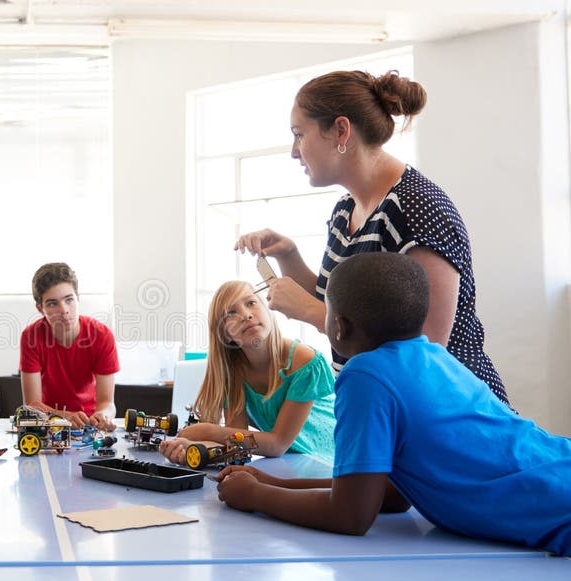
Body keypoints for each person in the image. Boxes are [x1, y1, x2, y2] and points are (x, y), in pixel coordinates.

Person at [216, 253, 571, 556]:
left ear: (338, 326)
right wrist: (269, 482)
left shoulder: (365, 375)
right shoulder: (433, 357)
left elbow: (350, 515)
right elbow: (392, 494)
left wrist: (257, 496)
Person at [234, 69, 508, 404]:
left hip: (448, 413)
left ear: (340, 130)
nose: (294, 151)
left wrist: (307, 311)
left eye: (299, 134)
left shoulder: (417, 210)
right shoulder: (344, 211)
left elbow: (424, 350)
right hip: (387, 408)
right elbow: (341, 306)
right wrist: (288, 256)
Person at [158, 280, 335, 464]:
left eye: (251, 303)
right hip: (293, 464)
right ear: (225, 334)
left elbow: (277, 444)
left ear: (267, 310)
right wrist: (193, 449)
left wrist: (208, 431)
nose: (246, 315)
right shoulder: (233, 372)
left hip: (329, 464)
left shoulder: (304, 361)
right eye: (231, 313)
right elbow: (238, 445)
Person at [20, 262, 119, 430]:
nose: (64, 310)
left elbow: (107, 403)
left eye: (69, 300)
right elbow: (32, 406)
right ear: (40, 308)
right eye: (52, 303)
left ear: (78, 298)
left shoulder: (102, 335)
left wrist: (103, 415)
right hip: (50, 424)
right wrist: (65, 416)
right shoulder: (31, 337)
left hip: (90, 423)